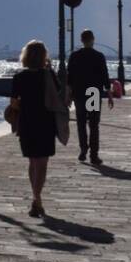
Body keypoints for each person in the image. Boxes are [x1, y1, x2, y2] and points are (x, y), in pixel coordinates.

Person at [9, 40, 67, 217]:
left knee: (33, 162)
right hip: (45, 123)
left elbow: (13, 103)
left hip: (27, 123)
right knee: (42, 163)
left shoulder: (19, 77)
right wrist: (49, 69)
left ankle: (37, 199)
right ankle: (37, 199)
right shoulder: (48, 75)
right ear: (44, 57)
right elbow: (60, 95)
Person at [67, 29, 113, 165]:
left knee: (81, 123)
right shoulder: (99, 56)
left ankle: (83, 150)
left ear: (81, 40)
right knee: (93, 124)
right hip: (93, 92)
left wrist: (68, 96)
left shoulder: (74, 56)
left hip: (79, 93)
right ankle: (94, 155)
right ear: (93, 39)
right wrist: (109, 94)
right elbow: (105, 77)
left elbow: (69, 78)